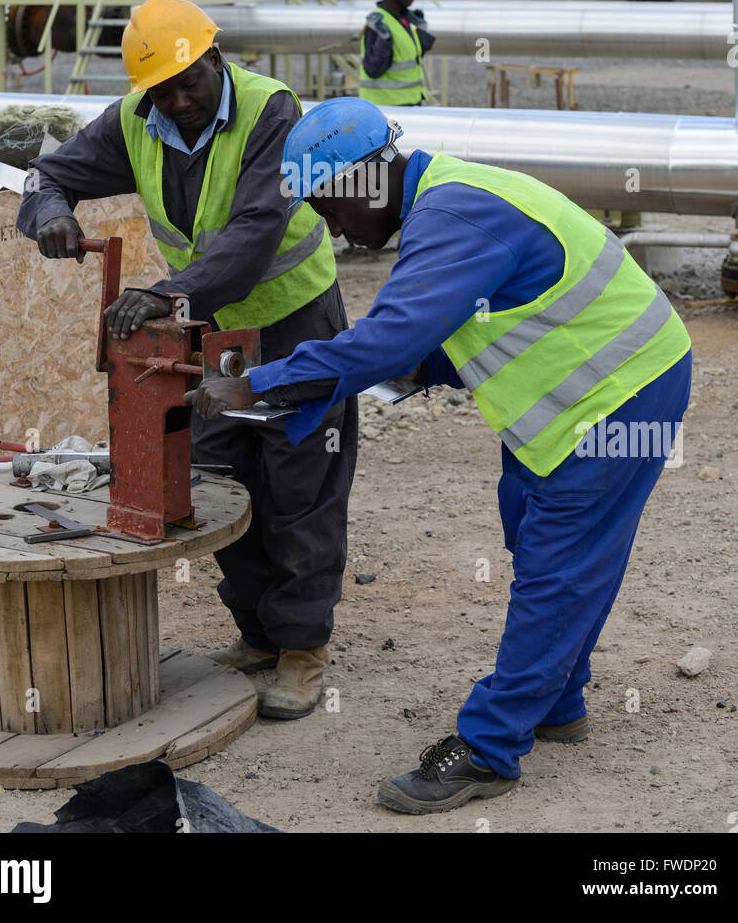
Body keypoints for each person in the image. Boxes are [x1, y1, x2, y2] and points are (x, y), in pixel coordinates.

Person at [192, 98, 693, 812]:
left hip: (617, 396)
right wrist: (416, 364)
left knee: (557, 566)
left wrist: (256, 383)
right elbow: (483, 314)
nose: (332, 229)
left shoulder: (452, 216)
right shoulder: (448, 198)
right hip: (574, 394)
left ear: (364, 180)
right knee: (538, 537)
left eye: (329, 209)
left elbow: (389, 338)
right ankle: (557, 701)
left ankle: (489, 750)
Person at [16, 0, 358, 720]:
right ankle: (259, 634)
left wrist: (167, 292)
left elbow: (257, 228)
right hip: (211, 333)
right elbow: (48, 173)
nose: (179, 101)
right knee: (217, 481)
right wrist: (50, 210)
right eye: (162, 91)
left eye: (189, 83)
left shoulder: (272, 113)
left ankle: (301, 649)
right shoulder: (139, 120)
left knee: (300, 484)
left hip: (296, 326)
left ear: (215, 57)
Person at [359, 0, 434, 105]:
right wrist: (383, 41)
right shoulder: (379, 25)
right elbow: (373, 69)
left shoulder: (401, 20)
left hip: (408, 104)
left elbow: (414, 58)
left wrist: (421, 30)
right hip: (387, 110)